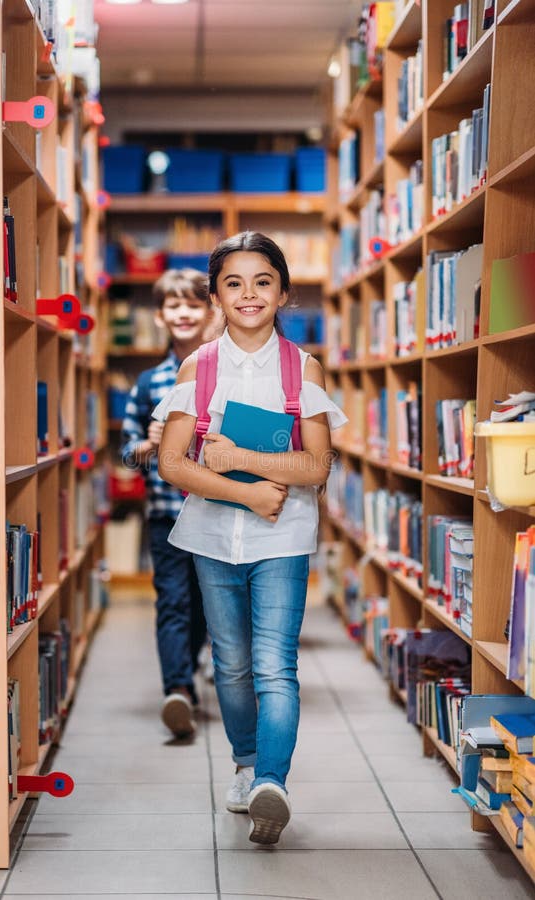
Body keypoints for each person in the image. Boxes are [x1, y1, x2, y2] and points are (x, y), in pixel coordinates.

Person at [153, 232, 347, 844]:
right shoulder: (198, 367)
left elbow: (317, 467)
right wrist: (244, 490)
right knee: (232, 665)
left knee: (274, 665)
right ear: (215, 296)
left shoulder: (302, 368)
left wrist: (240, 458)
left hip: (283, 539)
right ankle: (244, 762)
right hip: (213, 537)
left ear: (283, 292)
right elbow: (172, 464)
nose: (249, 294)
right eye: (233, 283)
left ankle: (272, 780)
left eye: (263, 281)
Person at [121, 268, 219, 739]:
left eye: (192, 305)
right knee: (174, 603)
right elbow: (125, 451)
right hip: (165, 513)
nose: (183, 313)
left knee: (204, 605)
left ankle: (189, 669)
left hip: (216, 509)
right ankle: (176, 689)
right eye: (173, 306)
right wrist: (146, 445)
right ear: (160, 316)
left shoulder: (220, 374)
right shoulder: (148, 383)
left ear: (208, 312)